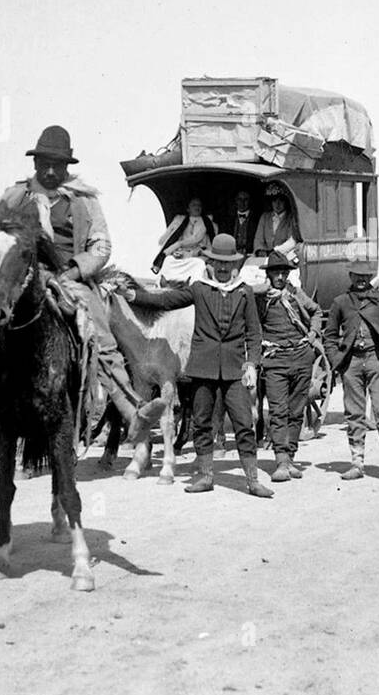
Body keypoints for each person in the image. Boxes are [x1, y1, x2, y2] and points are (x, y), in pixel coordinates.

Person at [0, 125, 164, 441]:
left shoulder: (84, 200)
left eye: (58, 164)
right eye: (45, 164)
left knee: (98, 332)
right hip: (17, 279)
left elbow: (101, 245)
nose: (50, 171)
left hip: (68, 278)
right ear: (35, 163)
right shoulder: (14, 196)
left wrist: (77, 269)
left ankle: (131, 411)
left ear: (67, 166)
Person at [121, 234, 271, 498]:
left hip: (235, 370)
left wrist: (252, 362)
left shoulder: (245, 292)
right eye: (218, 263)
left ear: (235, 264)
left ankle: (252, 479)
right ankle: (204, 475)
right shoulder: (199, 289)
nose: (223, 268)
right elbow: (166, 300)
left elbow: (254, 333)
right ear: (211, 263)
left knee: (244, 423)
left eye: (228, 264)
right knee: (202, 424)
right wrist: (134, 295)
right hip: (203, 369)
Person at [326, 256, 379, 483]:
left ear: (370, 277)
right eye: (357, 276)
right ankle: (357, 463)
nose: (361, 280)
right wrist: (336, 359)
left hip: (376, 361)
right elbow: (330, 335)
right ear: (350, 276)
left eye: (365, 276)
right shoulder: (340, 302)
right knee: (354, 413)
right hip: (351, 363)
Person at [254, 249, 321, 482]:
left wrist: (313, 332)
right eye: (276, 273)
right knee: (278, 410)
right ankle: (281, 461)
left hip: (301, 357)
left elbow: (316, 311)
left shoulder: (296, 294)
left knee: (295, 411)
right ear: (269, 275)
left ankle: (290, 457)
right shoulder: (261, 299)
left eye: (284, 273)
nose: (280, 277)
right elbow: (253, 327)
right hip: (275, 360)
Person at [254, 183, 302, 260]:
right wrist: (260, 251)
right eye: (274, 201)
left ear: (286, 202)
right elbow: (258, 239)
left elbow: (292, 241)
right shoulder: (265, 217)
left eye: (281, 201)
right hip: (265, 257)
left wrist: (275, 251)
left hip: (284, 256)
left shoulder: (291, 218)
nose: (277, 204)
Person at [227, 189, 257, 256]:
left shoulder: (256, 219)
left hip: (249, 255)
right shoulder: (228, 219)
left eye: (245, 199)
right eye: (239, 199)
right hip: (230, 255)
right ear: (235, 201)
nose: (242, 203)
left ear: (250, 201)